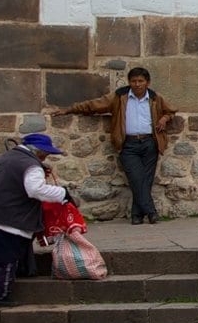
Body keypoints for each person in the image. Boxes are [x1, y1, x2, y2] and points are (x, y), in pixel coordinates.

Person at [61, 66, 179, 224]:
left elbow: (171, 111)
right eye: (134, 81)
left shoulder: (155, 98)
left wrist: (164, 119)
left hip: (150, 142)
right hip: (128, 143)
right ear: (129, 82)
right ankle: (151, 212)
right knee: (136, 178)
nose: (137, 84)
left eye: (141, 81)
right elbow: (95, 105)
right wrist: (70, 109)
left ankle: (136, 215)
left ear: (147, 82)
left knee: (146, 179)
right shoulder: (119, 97)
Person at [0, 133, 68, 306]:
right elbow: (35, 190)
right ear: (38, 151)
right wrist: (63, 194)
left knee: (1, 258)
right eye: (45, 154)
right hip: (8, 218)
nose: (46, 157)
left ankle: (12, 280)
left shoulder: (2, 159)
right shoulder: (31, 165)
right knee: (5, 259)